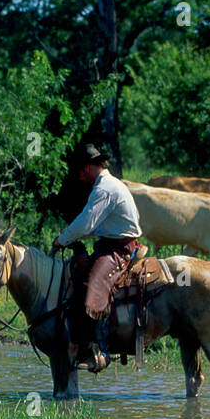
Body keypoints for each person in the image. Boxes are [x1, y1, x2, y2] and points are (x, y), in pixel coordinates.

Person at [52, 144, 144, 372]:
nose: (79, 176)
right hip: (111, 244)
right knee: (79, 270)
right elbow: (96, 226)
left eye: (80, 171)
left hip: (119, 249)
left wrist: (61, 240)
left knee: (95, 283)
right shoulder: (109, 185)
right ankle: (81, 340)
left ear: (88, 167)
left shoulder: (105, 189)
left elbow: (86, 222)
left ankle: (101, 351)